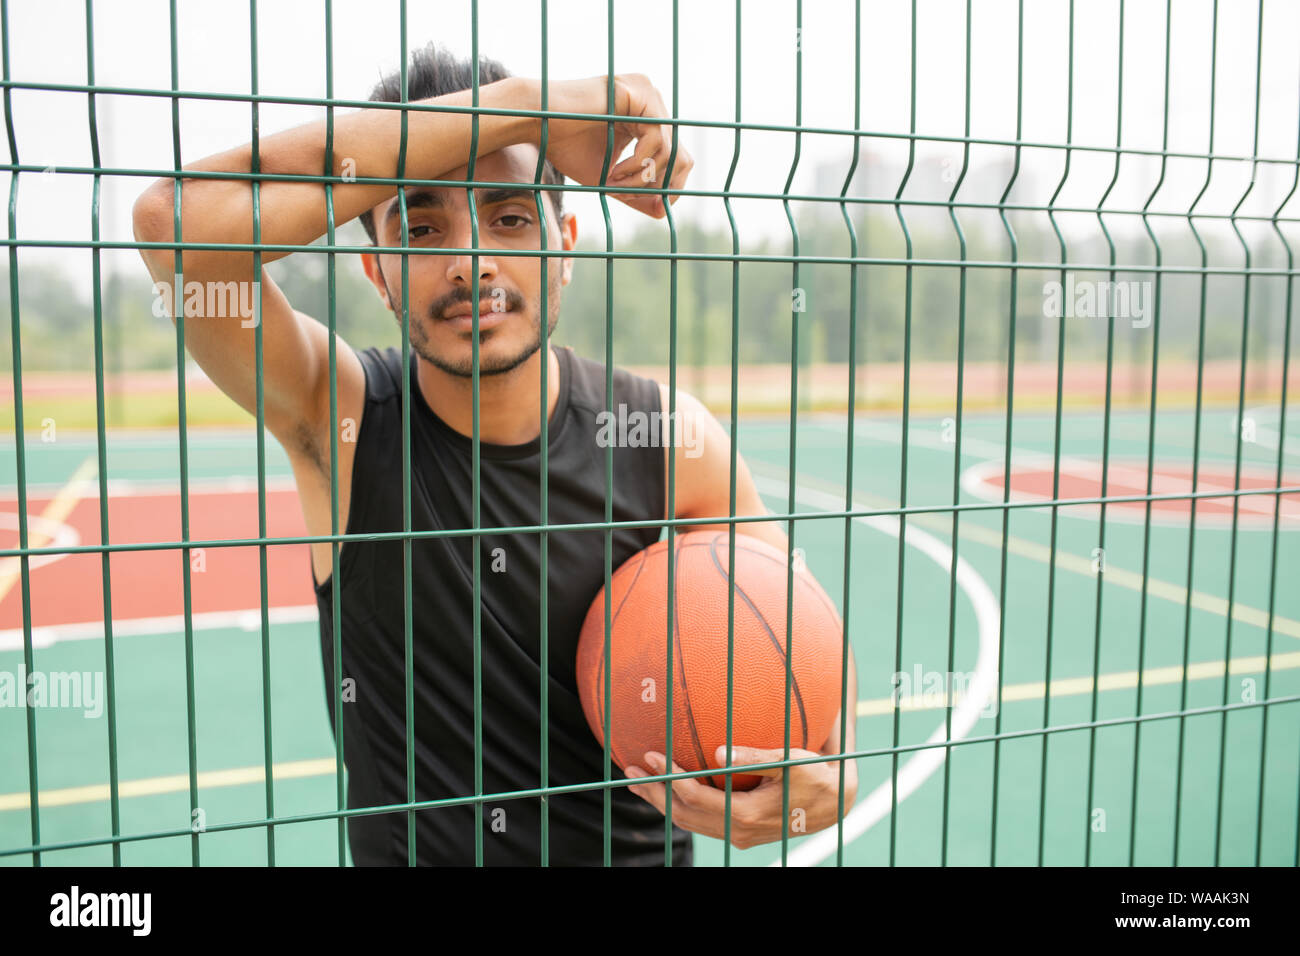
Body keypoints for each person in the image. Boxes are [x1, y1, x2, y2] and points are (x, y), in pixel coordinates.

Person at [131, 42, 857, 866]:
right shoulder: (339, 419)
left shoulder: (666, 437)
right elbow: (172, 224)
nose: (471, 263)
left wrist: (831, 766)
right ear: (378, 270)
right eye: (423, 226)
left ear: (566, 240)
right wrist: (525, 106)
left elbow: (798, 626)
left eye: (510, 216)